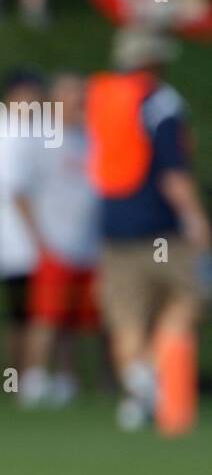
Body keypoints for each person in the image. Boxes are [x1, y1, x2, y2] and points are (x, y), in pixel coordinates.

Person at [85, 30, 209, 433]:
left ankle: (138, 392)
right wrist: (196, 218)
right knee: (193, 297)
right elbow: (173, 172)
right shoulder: (160, 102)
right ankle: (157, 379)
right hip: (161, 228)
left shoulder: (100, 97)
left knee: (127, 318)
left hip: (113, 225)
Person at [12, 72, 101, 408]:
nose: (79, 101)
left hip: (88, 244)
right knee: (46, 317)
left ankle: (67, 379)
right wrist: (39, 238)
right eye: (71, 94)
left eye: (81, 94)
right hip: (55, 242)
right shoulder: (41, 140)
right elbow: (19, 191)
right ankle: (33, 381)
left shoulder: (90, 138)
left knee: (76, 320)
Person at [0, 67, 46, 377]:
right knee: (18, 315)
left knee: (45, 314)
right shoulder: (2, 133)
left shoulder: (41, 130)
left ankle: (44, 375)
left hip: (43, 239)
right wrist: (39, 235)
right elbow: (13, 189)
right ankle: (16, 380)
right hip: (14, 240)